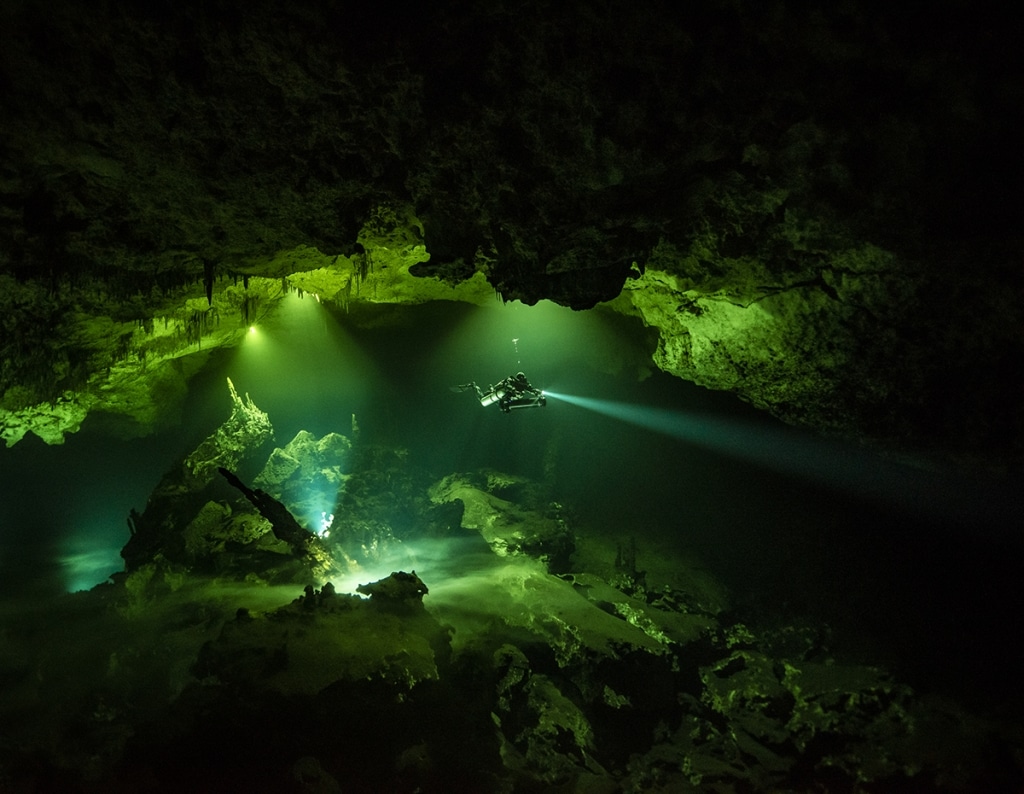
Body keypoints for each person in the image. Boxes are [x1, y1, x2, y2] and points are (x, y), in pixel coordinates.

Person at [451, 371, 547, 412]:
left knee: (488, 402)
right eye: (521, 378)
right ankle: (473, 386)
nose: (523, 379)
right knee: (482, 400)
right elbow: (506, 386)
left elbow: (531, 389)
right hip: (499, 393)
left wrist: (538, 393)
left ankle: (476, 387)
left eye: (523, 378)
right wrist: (513, 391)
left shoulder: (523, 384)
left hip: (506, 397)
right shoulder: (512, 381)